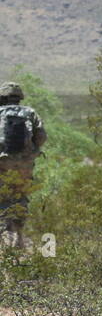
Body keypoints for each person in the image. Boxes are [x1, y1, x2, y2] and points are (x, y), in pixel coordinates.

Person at [0, 81, 46, 247]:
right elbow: (41, 138)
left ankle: (5, 240)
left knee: (3, 197)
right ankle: (18, 237)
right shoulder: (30, 112)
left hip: (2, 163)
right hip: (25, 165)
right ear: (19, 97)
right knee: (20, 197)